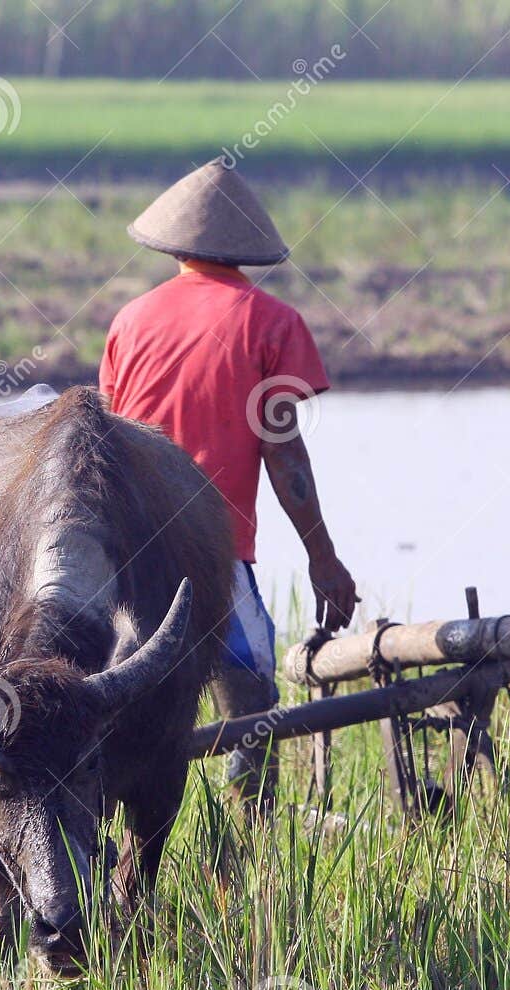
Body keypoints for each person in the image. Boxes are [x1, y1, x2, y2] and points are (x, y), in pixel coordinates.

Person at [99, 158, 359, 815]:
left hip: (124, 548)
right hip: (211, 544)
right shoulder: (271, 322)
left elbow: (107, 438)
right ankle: (249, 823)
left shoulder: (131, 320)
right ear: (245, 248)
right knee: (252, 690)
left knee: (111, 688)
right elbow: (284, 453)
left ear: (176, 245)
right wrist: (323, 558)